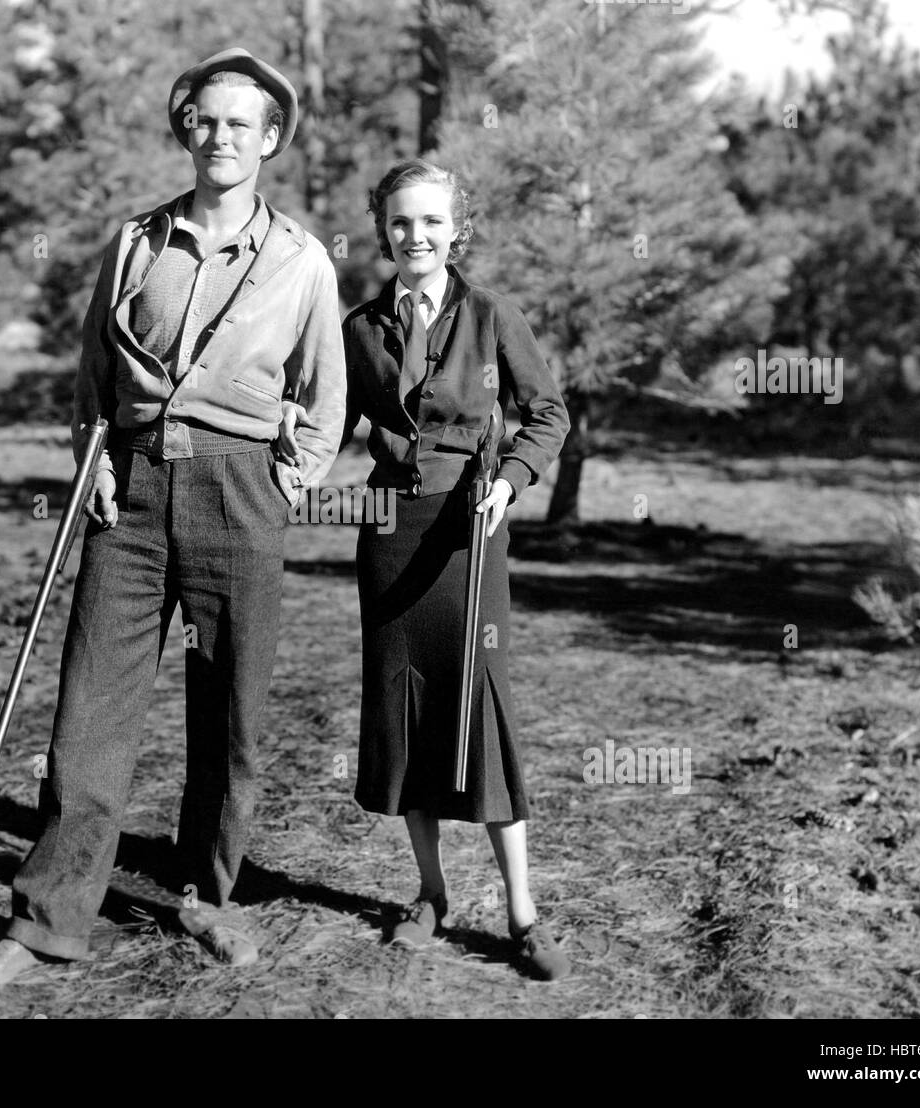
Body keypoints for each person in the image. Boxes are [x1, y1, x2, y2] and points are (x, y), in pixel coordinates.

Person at [0, 47, 345, 987]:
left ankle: (206, 899)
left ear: (271, 139)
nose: (220, 137)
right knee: (91, 707)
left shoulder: (301, 262)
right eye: (205, 120)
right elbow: (93, 375)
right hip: (126, 493)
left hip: (237, 490)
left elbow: (323, 401)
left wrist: (280, 485)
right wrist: (89, 460)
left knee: (230, 714)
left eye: (240, 124)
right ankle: (46, 918)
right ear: (187, 130)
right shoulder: (136, 242)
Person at [338, 158, 571, 980]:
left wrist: (510, 483)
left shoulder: (491, 314)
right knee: (408, 706)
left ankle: (522, 913)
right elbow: (326, 423)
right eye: (402, 222)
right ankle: (430, 894)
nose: (417, 236)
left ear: (456, 228)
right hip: (391, 533)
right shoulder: (360, 329)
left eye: (432, 222)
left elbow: (548, 414)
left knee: (486, 700)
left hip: (474, 531)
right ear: (384, 230)